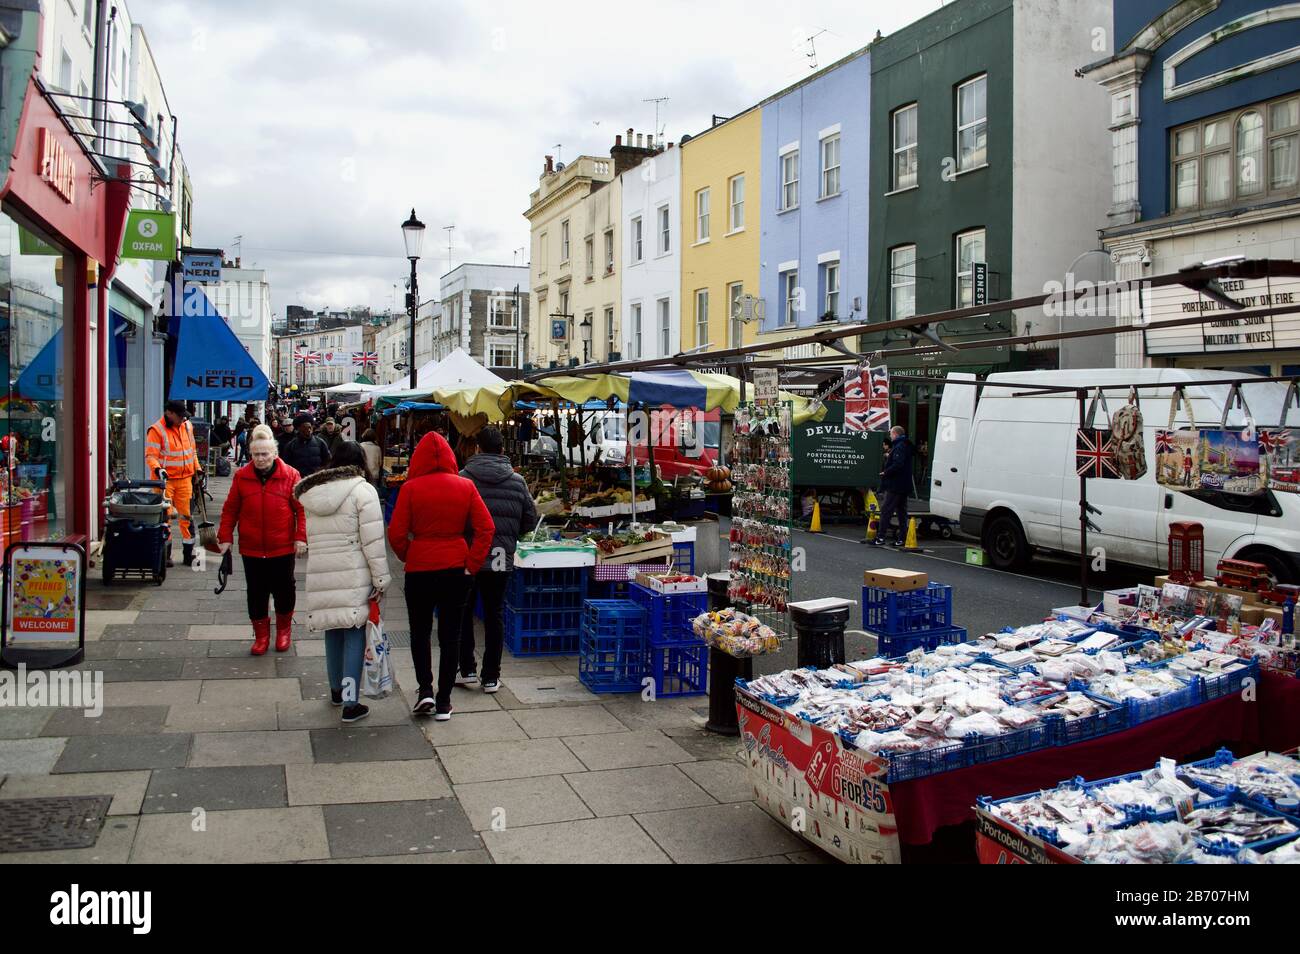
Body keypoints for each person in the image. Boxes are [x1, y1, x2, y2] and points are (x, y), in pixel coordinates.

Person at [388, 432, 494, 721]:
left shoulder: (410, 488)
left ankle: (424, 689)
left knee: (420, 632)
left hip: (420, 567)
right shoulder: (466, 486)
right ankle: (444, 701)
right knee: (451, 635)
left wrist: (410, 554)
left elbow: (396, 533)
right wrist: (472, 563)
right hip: (456, 568)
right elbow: (486, 528)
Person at [294, 441, 391, 724]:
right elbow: (373, 541)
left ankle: (336, 690)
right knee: (353, 632)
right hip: (353, 572)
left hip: (322, 570)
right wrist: (381, 579)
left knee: (332, 629)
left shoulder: (312, 492)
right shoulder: (363, 491)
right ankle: (351, 702)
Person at [457, 427, 537, 693]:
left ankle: (466, 669)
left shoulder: (463, 479)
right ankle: (491, 676)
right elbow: (529, 520)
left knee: (464, 612)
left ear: (477, 448)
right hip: (501, 557)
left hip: (469, 556)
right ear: (502, 449)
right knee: (495, 614)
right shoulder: (517, 481)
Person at [217, 425, 307, 656]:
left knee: (284, 591)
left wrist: (300, 537)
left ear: (275, 453)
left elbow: (301, 510)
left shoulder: (291, 475)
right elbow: (230, 510)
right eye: (256, 454)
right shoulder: (242, 476)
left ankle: (284, 631)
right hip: (252, 548)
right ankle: (261, 636)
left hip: (282, 547)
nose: (260, 458)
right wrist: (225, 537)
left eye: (265, 454)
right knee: (256, 593)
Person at [145, 399, 202, 567]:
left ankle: (188, 554)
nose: (183, 419)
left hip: (185, 479)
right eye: (180, 416)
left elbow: (192, 451)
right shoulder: (156, 430)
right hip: (165, 482)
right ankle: (165, 555)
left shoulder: (187, 426)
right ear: (169, 413)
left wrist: (197, 468)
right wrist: (157, 469)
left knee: (186, 517)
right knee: (166, 518)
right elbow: (151, 455)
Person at [876, 425, 914, 548]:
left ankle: (880, 537)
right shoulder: (906, 445)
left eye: (891, 434)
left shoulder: (899, 446)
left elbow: (898, 464)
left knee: (886, 511)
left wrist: (885, 472)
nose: (890, 436)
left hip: (895, 484)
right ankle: (902, 539)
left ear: (896, 434)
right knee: (902, 512)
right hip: (904, 484)